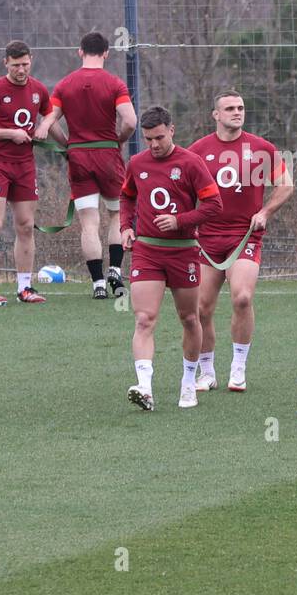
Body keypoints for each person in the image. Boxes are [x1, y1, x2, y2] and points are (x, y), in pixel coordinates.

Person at [187, 89, 294, 393]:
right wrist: (187, 225)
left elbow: (286, 185)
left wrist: (265, 211)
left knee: (242, 298)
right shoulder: (198, 151)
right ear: (216, 115)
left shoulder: (261, 148)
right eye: (230, 108)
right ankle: (206, 372)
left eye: (241, 107)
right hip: (206, 241)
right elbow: (183, 192)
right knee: (202, 309)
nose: (237, 112)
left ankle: (238, 367)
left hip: (244, 238)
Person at [119, 106, 222, 411]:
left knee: (189, 318)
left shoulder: (191, 163)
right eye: (148, 138)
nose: (154, 144)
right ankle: (145, 388)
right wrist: (126, 227)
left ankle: (189, 382)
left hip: (183, 251)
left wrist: (180, 221)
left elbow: (213, 204)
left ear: (172, 130)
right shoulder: (137, 163)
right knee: (143, 318)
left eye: (159, 137)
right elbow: (126, 196)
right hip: (147, 251)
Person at [49, 32, 137, 299]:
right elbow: (131, 122)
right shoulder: (114, 84)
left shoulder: (64, 85)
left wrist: (67, 143)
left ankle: (97, 283)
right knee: (115, 215)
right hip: (108, 156)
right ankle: (114, 272)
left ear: (80, 52)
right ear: (107, 53)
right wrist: (118, 139)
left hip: (79, 158)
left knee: (89, 222)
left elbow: (49, 120)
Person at [0, 40, 56, 306]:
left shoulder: (38, 89)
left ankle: (25, 287)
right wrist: (10, 133)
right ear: (6, 63)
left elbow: (51, 114)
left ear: (32, 60)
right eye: (16, 65)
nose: (21, 69)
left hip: (25, 165)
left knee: (26, 225)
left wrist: (48, 128)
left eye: (25, 64)